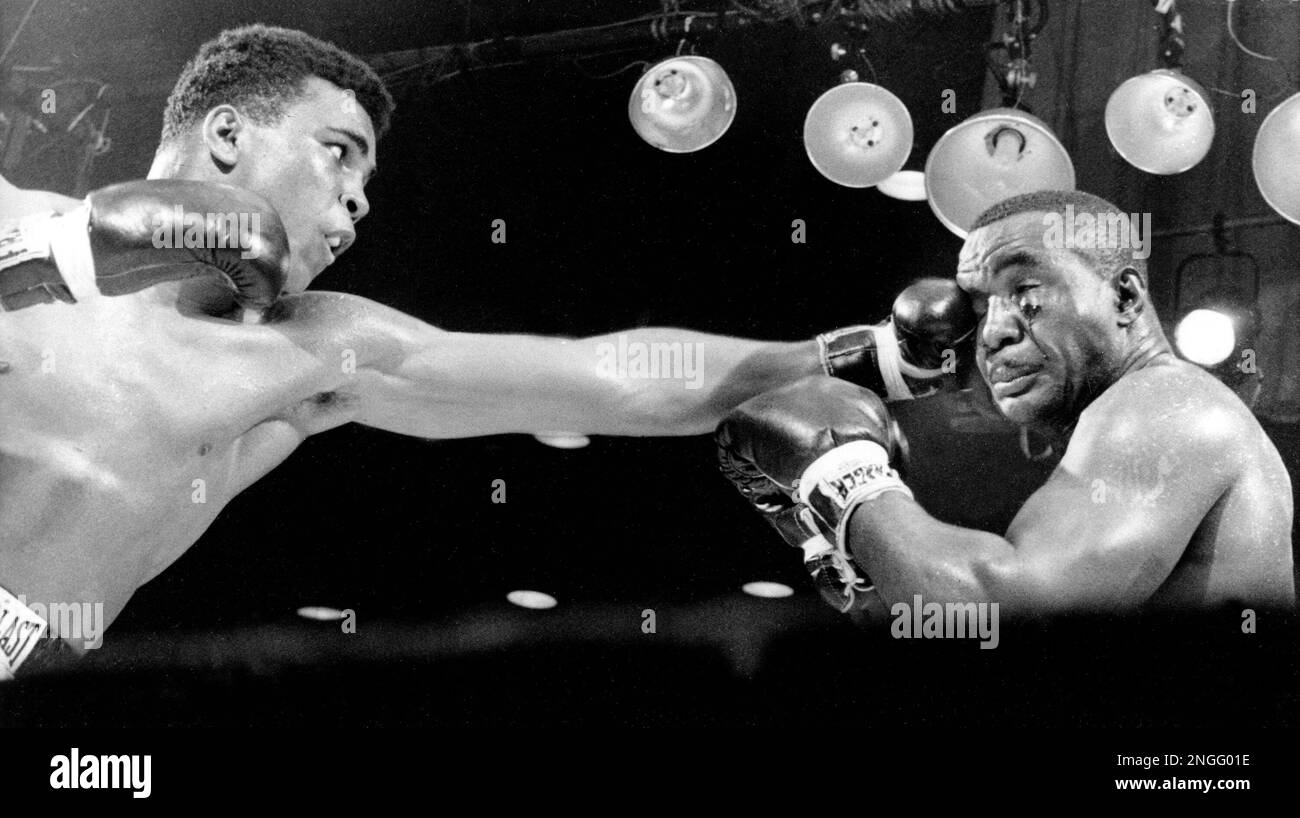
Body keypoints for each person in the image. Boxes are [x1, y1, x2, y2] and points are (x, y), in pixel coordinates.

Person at [0, 25, 974, 678]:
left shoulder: (313, 351)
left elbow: (605, 377)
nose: (359, 201)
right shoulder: (21, 223)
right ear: (223, 134)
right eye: (337, 150)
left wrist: (854, 358)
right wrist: (49, 263)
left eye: (369, 176)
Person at [718, 190, 1295, 615]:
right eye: (977, 307)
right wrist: (825, 537)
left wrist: (843, 476)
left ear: (1123, 296)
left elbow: (1005, 615)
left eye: (1025, 291)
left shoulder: (1170, 401)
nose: (992, 333)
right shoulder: (1114, 441)